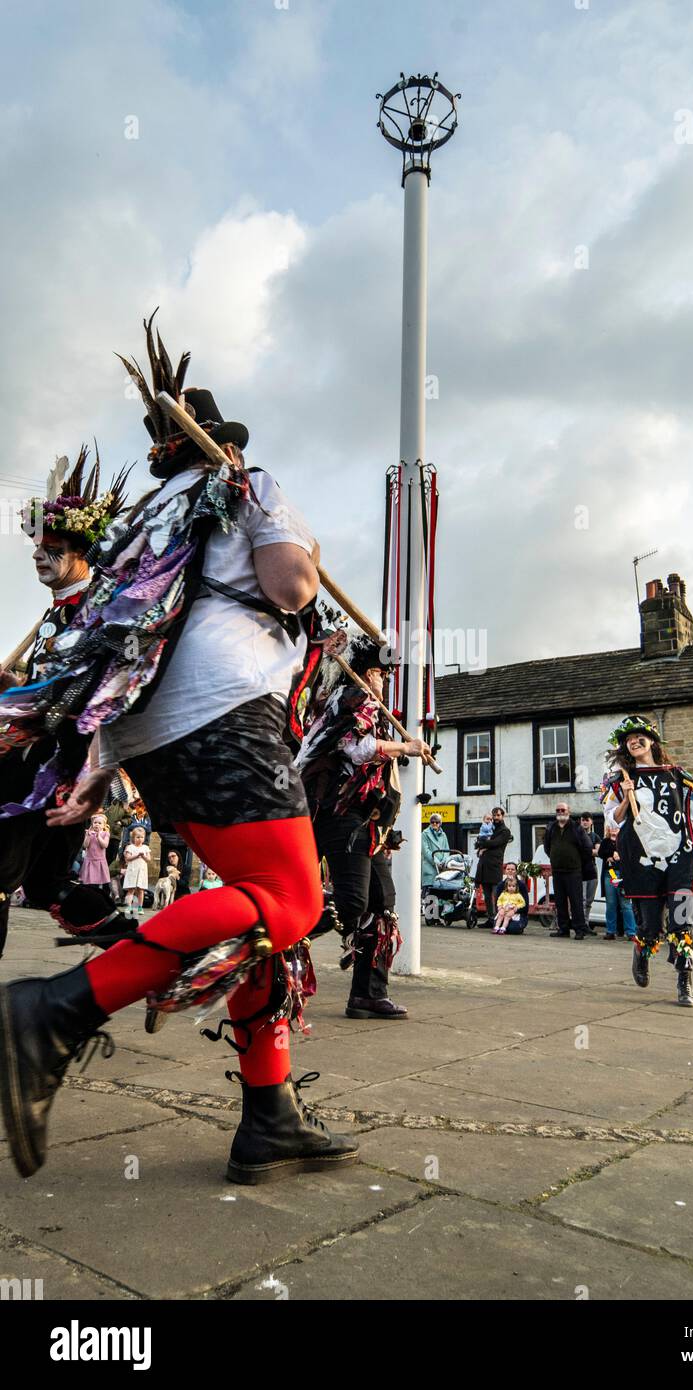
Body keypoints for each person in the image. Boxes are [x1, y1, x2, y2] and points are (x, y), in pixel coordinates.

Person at [0, 316, 356, 1183]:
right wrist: (305, 557)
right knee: (291, 901)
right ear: (218, 442)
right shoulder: (250, 483)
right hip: (227, 710)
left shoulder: (128, 535)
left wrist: (99, 765)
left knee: (261, 921)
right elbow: (289, 585)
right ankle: (57, 1010)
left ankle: (270, 1115)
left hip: (154, 734)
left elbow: (120, 644)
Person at [0, 446, 131, 958]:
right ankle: (147, 955)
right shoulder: (61, 613)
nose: (37, 555)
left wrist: (96, 772)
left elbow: (95, 695)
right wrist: (13, 682)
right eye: (36, 546)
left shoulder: (97, 614)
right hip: (47, 760)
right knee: (48, 884)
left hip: (49, 764)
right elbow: (46, 686)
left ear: (80, 552)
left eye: (50, 547)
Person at [297, 634, 433, 1020]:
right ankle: (282, 934)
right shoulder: (349, 700)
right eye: (379, 672)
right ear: (364, 672)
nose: (384, 680)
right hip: (342, 815)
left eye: (386, 674)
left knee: (381, 904)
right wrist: (405, 748)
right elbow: (356, 749)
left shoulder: (369, 705)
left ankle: (368, 994)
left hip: (369, 823)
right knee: (351, 903)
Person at [603, 714, 693, 1007]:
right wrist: (627, 798)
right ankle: (642, 950)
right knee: (651, 926)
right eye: (629, 740)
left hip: (680, 854)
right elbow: (613, 821)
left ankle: (685, 980)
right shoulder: (620, 781)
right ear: (626, 748)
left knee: (682, 921)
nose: (635, 741)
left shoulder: (679, 776)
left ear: (652, 740)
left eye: (640, 736)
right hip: (641, 857)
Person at [542, 801, 594, 939]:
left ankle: (579, 930)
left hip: (573, 871)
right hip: (558, 871)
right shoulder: (551, 828)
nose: (560, 812)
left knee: (576, 901)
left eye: (563, 810)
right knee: (560, 901)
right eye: (558, 810)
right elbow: (547, 847)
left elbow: (587, 847)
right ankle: (563, 929)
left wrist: (577, 862)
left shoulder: (577, 828)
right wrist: (554, 857)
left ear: (568, 811)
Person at [474, 806, 513, 924]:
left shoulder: (505, 831)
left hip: (495, 865)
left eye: (498, 815)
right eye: (494, 815)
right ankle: (491, 919)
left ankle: (498, 919)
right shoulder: (489, 827)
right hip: (484, 865)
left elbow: (495, 843)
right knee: (486, 895)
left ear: (502, 816)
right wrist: (481, 844)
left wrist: (483, 844)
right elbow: (477, 843)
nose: (496, 817)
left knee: (497, 895)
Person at [598, 824, 637, 940]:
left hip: (623, 874)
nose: (614, 830)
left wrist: (620, 855)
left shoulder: (625, 840)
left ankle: (631, 932)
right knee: (611, 904)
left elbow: (631, 855)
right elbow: (601, 853)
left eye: (616, 828)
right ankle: (611, 931)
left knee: (626, 904)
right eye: (612, 828)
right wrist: (611, 854)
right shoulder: (605, 841)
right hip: (610, 874)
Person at [491, 862, 529, 934]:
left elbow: (525, 906)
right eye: (508, 869)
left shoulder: (521, 885)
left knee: (512, 928)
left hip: (517, 912)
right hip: (503, 912)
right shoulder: (500, 885)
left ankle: (519, 926)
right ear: (505, 871)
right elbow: (497, 902)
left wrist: (514, 910)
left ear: (516, 871)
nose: (510, 871)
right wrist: (500, 909)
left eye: (512, 869)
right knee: (497, 924)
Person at [80, 812, 112, 897]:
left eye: (99, 823)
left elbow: (105, 845)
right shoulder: (89, 833)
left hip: (99, 861)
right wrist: (88, 836)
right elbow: (85, 845)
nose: (97, 824)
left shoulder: (105, 834)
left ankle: (97, 896)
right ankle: (88, 896)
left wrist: (98, 837)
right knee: (89, 882)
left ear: (103, 825)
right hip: (89, 861)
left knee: (98, 882)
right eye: (95, 823)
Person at [122, 827, 151, 915]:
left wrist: (143, 856)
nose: (139, 839)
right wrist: (137, 855)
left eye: (141, 837)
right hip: (132, 870)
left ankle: (140, 907)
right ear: (133, 838)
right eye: (137, 837)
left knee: (141, 890)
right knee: (131, 889)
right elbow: (128, 858)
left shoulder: (145, 847)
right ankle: (129, 906)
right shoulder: (130, 847)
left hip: (141, 871)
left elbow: (148, 859)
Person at [579, 812, 601, 929]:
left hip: (592, 869)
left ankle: (586, 924)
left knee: (589, 900)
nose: (585, 822)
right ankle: (582, 925)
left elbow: (598, 852)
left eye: (587, 820)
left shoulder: (595, 837)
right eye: (583, 820)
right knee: (581, 900)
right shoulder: (576, 835)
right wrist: (590, 850)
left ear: (591, 822)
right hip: (579, 870)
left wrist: (585, 850)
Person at [421, 813, 450, 890]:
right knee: (428, 895)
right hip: (430, 868)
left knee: (440, 896)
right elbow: (425, 851)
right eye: (432, 822)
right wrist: (436, 862)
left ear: (440, 823)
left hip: (441, 869)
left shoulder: (443, 835)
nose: (434, 823)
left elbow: (447, 850)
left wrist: (443, 861)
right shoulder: (424, 834)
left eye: (436, 822)